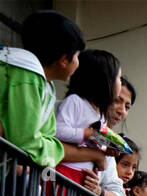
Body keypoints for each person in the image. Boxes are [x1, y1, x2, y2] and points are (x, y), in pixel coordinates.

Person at [0, 10, 84, 169]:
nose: (78, 63)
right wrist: (55, 151)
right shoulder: (26, 75)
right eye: (77, 56)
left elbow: (47, 135)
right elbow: (26, 142)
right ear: (64, 59)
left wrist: (44, 146)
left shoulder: (45, 85)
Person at [54, 48, 121, 196]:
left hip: (85, 178)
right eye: (119, 78)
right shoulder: (75, 102)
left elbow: (93, 142)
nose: (120, 84)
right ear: (103, 80)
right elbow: (57, 130)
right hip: (65, 172)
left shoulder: (101, 115)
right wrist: (85, 133)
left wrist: (107, 149)